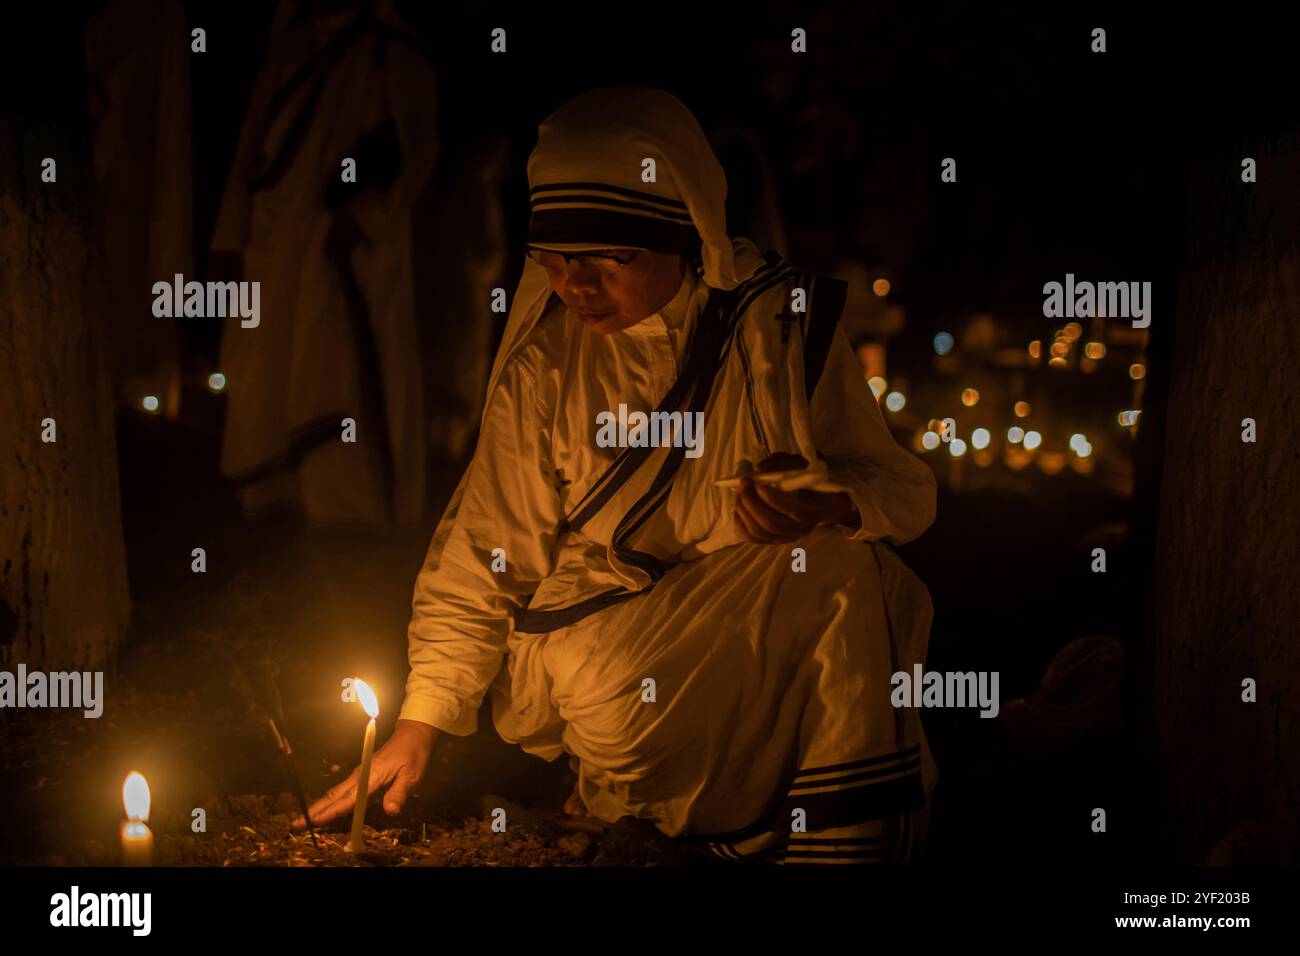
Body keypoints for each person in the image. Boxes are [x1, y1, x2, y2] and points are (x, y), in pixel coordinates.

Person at [296, 86, 939, 864]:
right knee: (844, 594)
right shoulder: (546, 370)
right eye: (556, 262)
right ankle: (782, 825)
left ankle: (835, 845)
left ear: (686, 235)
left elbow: (901, 491)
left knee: (865, 576)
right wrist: (420, 720)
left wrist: (828, 503)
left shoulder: (781, 332)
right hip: (600, 651)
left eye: (610, 260)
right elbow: (485, 550)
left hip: (751, 612)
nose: (578, 286)